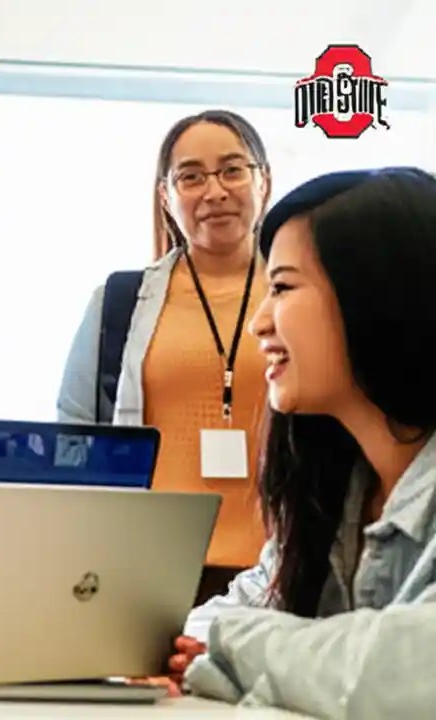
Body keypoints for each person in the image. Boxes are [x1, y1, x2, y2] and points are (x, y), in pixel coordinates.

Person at [167, 168, 436, 718]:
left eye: (284, 288)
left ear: (380, 295)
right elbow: (199, 628)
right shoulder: (332, 499)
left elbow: (411, 673)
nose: (258, 324)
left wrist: (238, 649)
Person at [56, 109, 273, 603]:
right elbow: (74, 432)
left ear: (265, 181)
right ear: (165, 196)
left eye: (232, 170)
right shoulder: (120, 302)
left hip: (283, 571)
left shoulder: (306, 296)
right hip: (149, 573)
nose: (214, 191)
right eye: (191, 176)